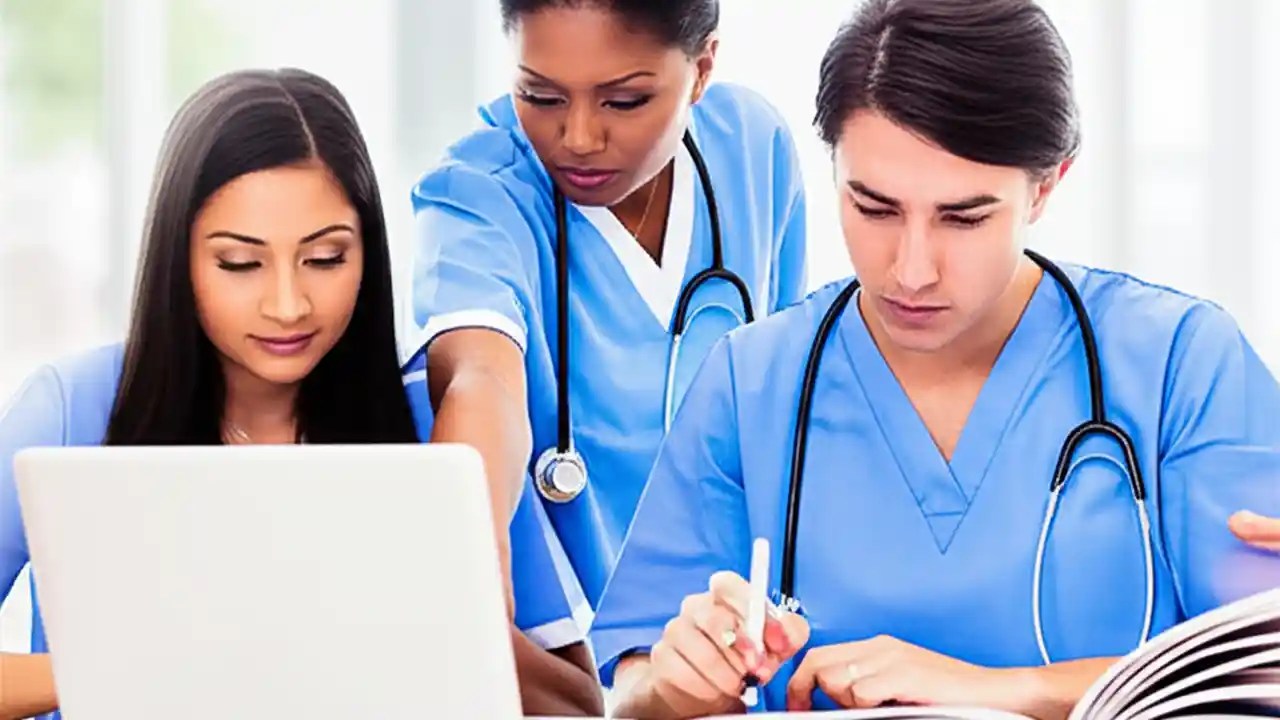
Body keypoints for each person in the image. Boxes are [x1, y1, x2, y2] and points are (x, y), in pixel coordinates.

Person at [589, 0, 1280, 717]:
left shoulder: (1181, 366)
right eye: (874, 207)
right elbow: (632, 688)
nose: (911, 270)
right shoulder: (752, 382)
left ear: (1046, 187)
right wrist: (672, 682)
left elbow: (1258, 668)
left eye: (964, 217)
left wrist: (987, 691)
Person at [0, 69, 602, 719]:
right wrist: (134, 663)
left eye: (325, 259)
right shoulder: (73, 407)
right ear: (179, 258)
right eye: (240, 263)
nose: (288, 305)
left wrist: (431, 612)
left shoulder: (442, 425)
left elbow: (579, 704)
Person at [408, 0, 809, 609]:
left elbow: (788, 408)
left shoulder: (754, 149)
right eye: (540, 97)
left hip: (740, 639)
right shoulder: (477, 194)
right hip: (576, 666)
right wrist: (466, 582)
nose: (578, 138)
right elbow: (481, 378)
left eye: (623, 102)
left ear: (702, 68)